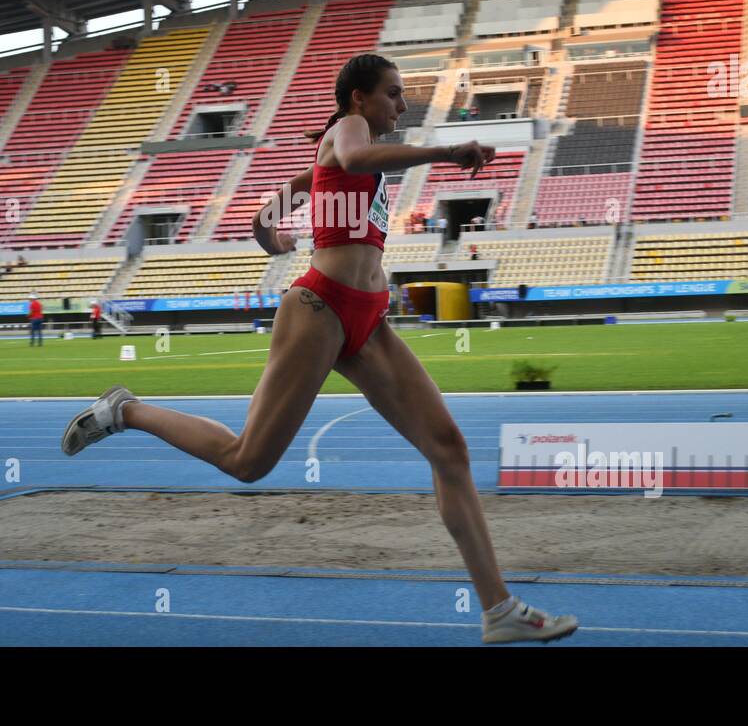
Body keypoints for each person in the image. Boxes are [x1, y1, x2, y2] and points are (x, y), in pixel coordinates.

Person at [59, 53, 577, 644]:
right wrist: (446, 152)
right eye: (392, 94)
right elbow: (353, 157)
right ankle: (125, 410)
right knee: (247, 461)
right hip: (319, 310)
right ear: (358, 98)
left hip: (369, 320)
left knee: (449, 449)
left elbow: (266, 214)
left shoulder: (336, 149)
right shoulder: (348, 132)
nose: (401, 106)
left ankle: (498, 609)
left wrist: (271, 233)